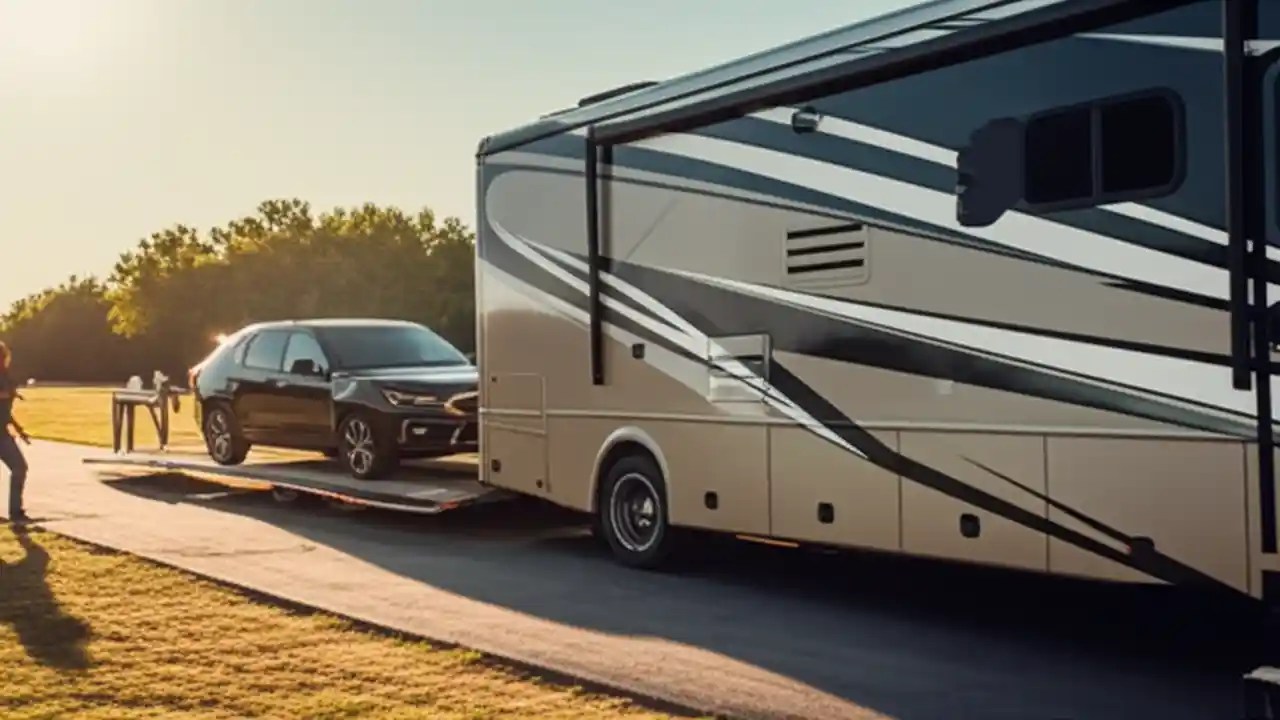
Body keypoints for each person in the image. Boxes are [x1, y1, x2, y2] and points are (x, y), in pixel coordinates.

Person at [0, 341, 31, 524]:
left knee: (20, 467)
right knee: (19, 468)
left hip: (2, 433)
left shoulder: (6, 378)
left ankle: (15, 511)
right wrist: (8, 394)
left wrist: (19, 430)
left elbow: (4, 412)